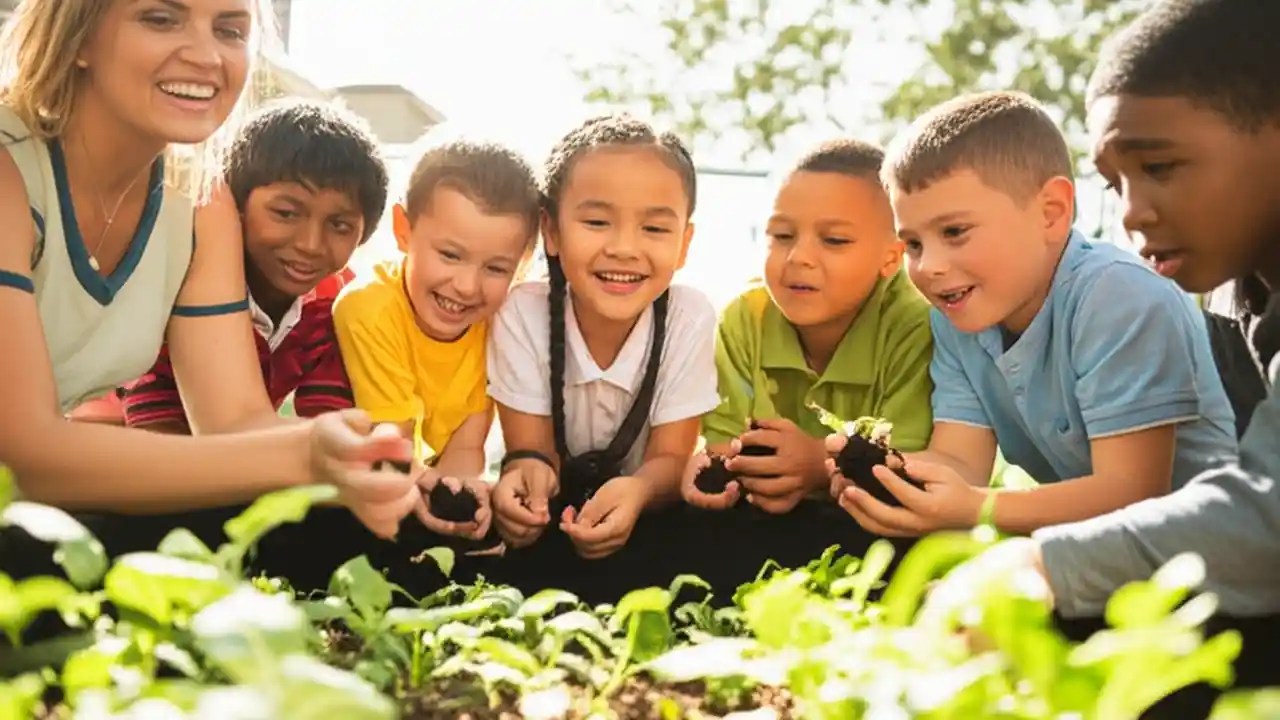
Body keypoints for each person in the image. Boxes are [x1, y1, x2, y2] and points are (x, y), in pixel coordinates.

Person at [0, 0, 417, 571]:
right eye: (160, 18)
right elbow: (24, 457)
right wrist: (301, 454)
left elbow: (234, 423)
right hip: (22, 489)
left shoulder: (198, 196)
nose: (206, 56)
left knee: (325, 526)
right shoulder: (9, 168)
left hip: (31, 504)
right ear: (78, 38)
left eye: (229, 29)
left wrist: (353, 461)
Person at [827, 90, 1237, 539]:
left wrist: (978, 509)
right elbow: (961, 463)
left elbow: (1134, 492)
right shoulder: (958, 319)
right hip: (1092, 548)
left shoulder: (1117, 295)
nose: (930, 266)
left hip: (1207, 551)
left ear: (1050, 213)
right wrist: (881, 473)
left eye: (955, 232)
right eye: (914, 244)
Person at [678, 138, 933, 594]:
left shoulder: (914, 324)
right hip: (763, 521)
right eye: (781, 236)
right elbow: (722, 447)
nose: (799, 257)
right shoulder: (745, 318)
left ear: (891, 257)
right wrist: (728, 469)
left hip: (872, 522)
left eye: (834, 240)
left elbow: (908, 465)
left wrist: (818, 463)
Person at [486, 113, 719, 602]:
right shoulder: (522, 310)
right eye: (596, 222)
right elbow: (533, 449)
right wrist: (524, 482)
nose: (624, 248)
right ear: (550, 229)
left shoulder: (688, 316)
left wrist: (637, 493)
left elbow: (671, 459)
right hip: (555, 516)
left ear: (685, 244)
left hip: (646, 515)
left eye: (655, 228)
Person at [328, 135, 541, 589]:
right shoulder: (368, 308)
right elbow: (392, 446)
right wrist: (431, 493)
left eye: (496, 268)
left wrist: (462, 500)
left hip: (407, 468)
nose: (466, 286)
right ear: (404, 230)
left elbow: (466, 447)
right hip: (352, 472)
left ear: (523, 265)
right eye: (450, 255)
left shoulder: (502, 323)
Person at [120, 100, 389, 432]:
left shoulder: (336, 307)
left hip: (247, 442)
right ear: (236, 204)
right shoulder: (190, 279)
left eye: (340, 225)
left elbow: (328, 420)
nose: (310, 244)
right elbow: (152, 413)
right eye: (286, 213)